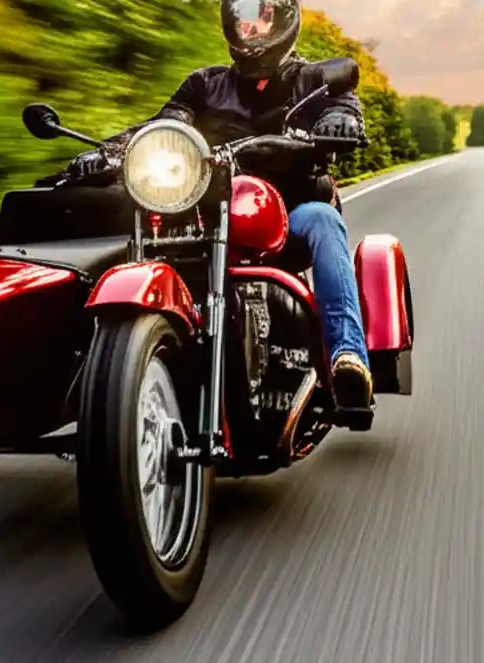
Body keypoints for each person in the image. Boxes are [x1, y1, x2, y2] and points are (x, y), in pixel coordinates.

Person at [70, 0, 373, 412]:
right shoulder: (204, 84)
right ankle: (109, 366)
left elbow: (344, 106)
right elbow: (165, 126)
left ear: (283, 21)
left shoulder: (314, 81)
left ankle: (347, 357)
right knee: (138, 217)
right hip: (207, 211)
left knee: (323, 221)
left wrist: (342, 121)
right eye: (242, 21)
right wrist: (113, 151)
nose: (251, 30)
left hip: (291, 209)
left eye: (261, 19)